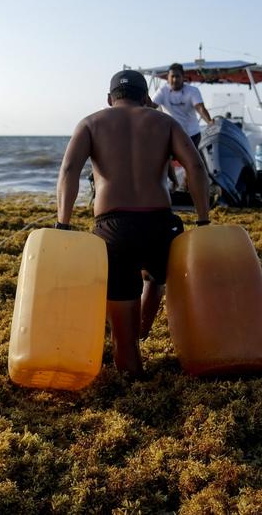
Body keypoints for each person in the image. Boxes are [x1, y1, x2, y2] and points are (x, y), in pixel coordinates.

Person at [56, 70, 210, 377]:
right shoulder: (165, 122)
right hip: (160, 225)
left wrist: (63, 224)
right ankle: (143, 328)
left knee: (122, 330)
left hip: (114, 228)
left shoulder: (90, 123)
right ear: (146, 98)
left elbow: (69, 171)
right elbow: (195, 167)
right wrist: (203, 220)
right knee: (155, 277)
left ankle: (132, 367)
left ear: (109, 99)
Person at [148, 63, 214, 190]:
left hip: (191, 134)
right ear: (167, 78)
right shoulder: (163, 91)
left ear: (183, 77)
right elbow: (150, 107)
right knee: (163, 159)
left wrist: (210, 122)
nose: (174, 79)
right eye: (172, 76)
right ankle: (173, 185)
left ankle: (189, 187)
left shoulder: (192, 91)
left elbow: (200, 108)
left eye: (177, 76)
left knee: (190, 163)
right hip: (170, 135)